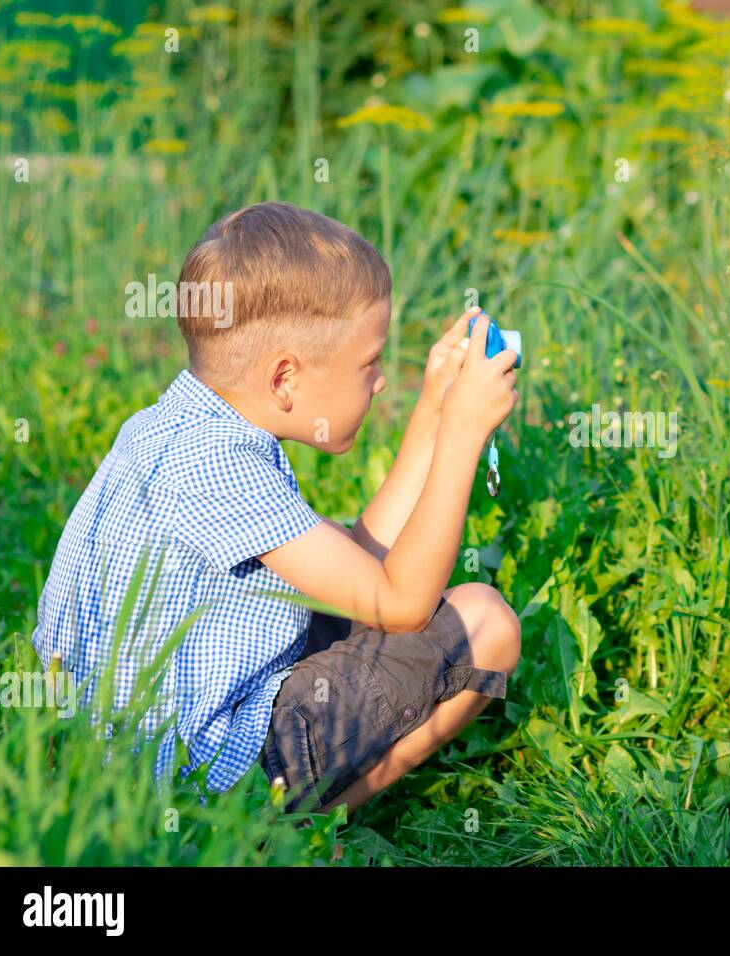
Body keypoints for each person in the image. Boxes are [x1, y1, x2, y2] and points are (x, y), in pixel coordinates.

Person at [32, 201, 521, 815]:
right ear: (285, 379)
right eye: (369, 363)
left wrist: (431, 415)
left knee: (357, 574)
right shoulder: (223, 468)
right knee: (485, 623)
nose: (378, 382)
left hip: (106, 748)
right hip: (190, 778)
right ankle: (283, 833)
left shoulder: (176, 427)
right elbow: (401, 603)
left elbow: (368, 571)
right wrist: (462, 437)